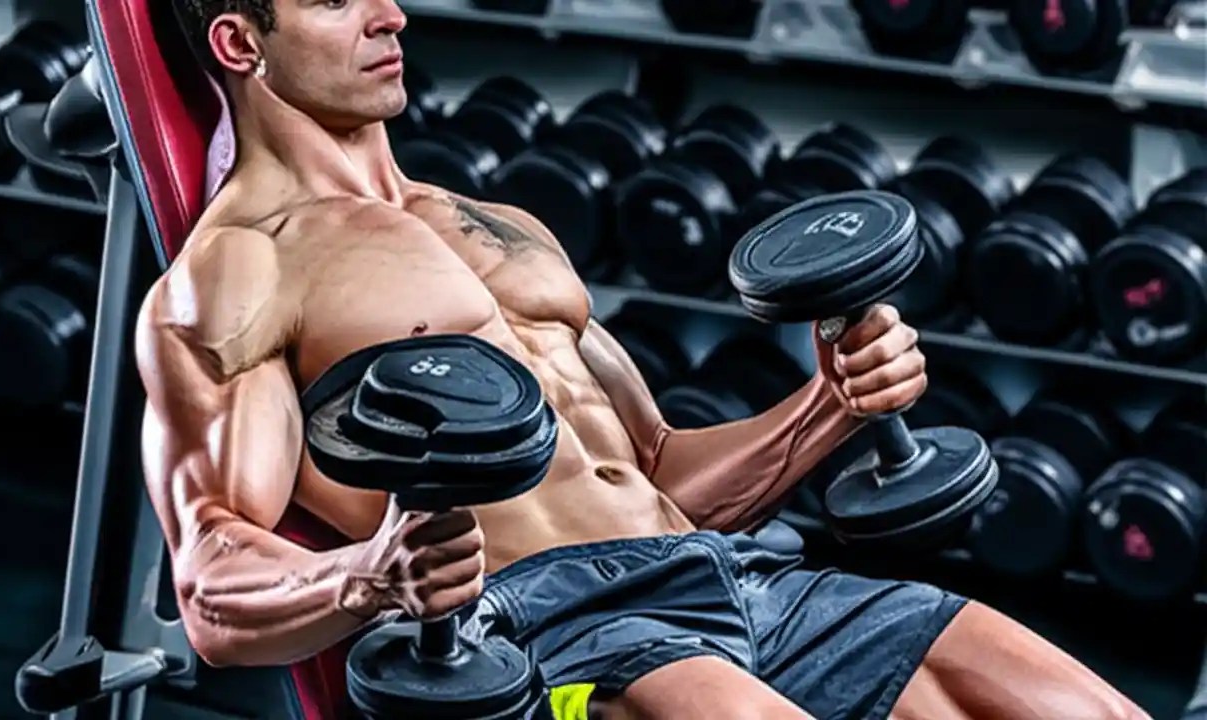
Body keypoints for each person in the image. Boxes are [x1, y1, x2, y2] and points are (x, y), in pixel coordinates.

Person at [135, 1, 1150, 718]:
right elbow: (211, 578)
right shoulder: (241, 271)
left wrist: (828, 405)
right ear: (239, 42)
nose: (391, 13)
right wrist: (365, 577)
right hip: (559, 631)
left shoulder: (498, 224)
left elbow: (656, 472)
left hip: (736, 578)